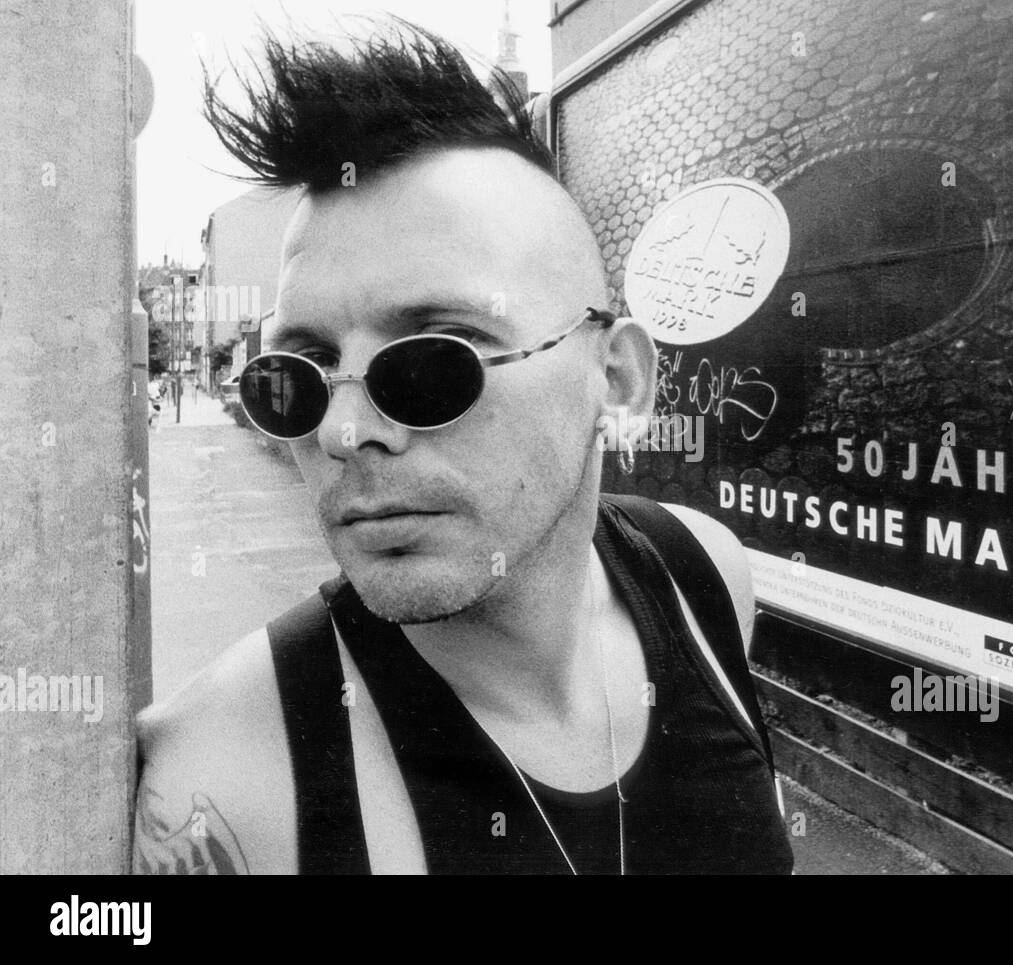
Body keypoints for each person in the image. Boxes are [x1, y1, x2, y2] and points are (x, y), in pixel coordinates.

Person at [132, 20, 792, 875]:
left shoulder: (702, 578)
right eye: (303, 371)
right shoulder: (229, 775)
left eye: (432, 363)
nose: (343, 430)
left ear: (619, 382)